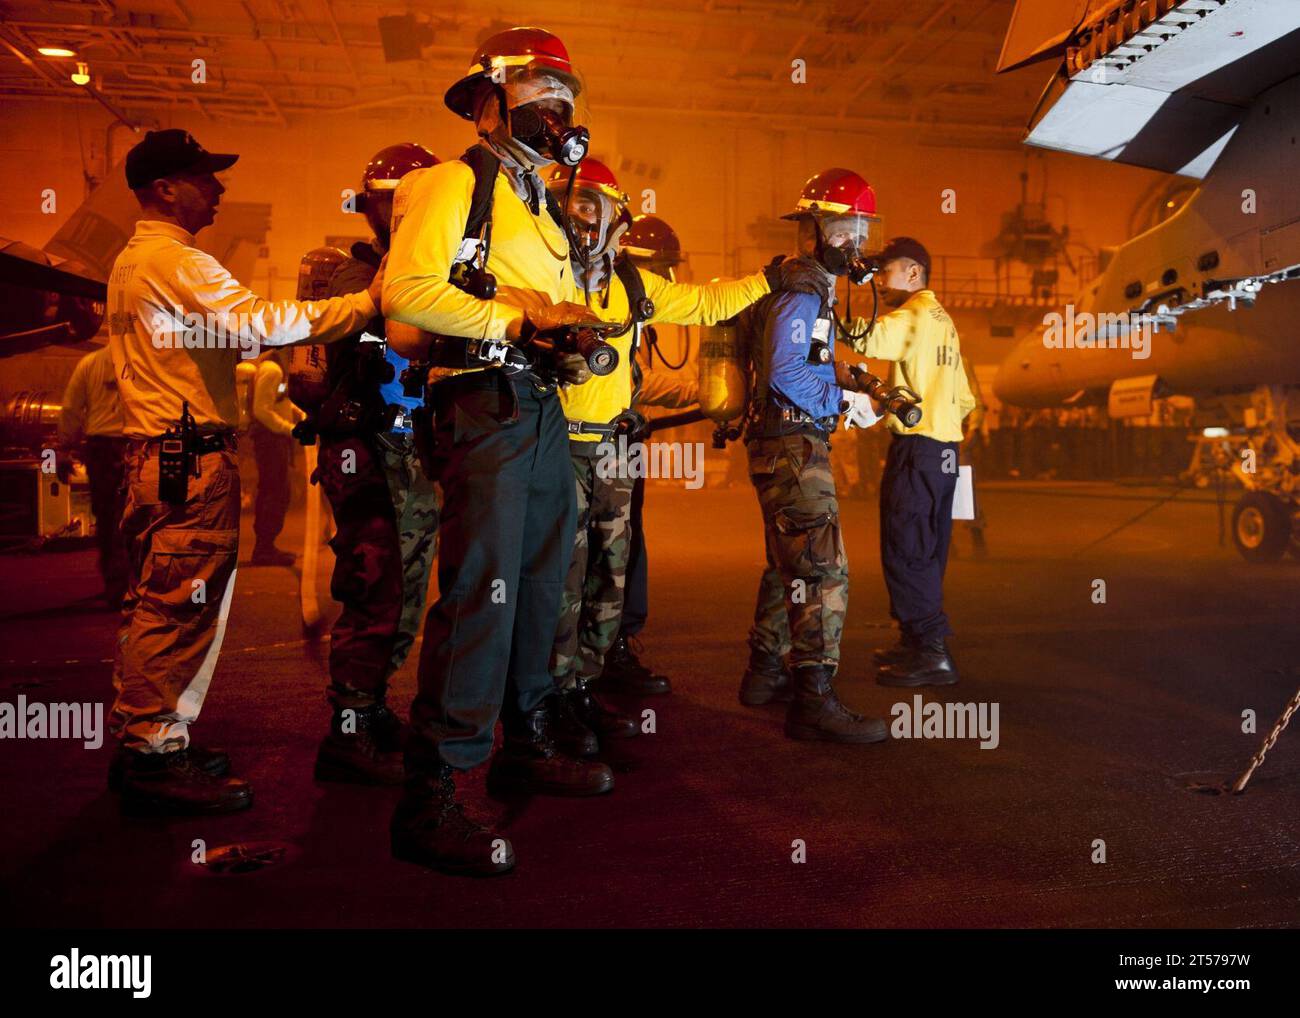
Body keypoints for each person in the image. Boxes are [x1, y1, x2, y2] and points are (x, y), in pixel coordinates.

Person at [382, 27, 615, 876]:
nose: (562, 109)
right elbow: (405, 294)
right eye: (546, 91)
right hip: (483, 400)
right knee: (484, 589)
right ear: (492, 99)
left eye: (569, 95)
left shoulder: (539, 204)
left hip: (539, 403)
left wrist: (565, 321)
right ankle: (432, 791)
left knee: (544, 581)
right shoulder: (448, 182)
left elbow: (540, 305)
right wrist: (515, 318)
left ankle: (527, 737)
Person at [106, 128, 384, 815]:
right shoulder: (177, 261)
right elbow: (258, 323)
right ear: (163, 189)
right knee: (178, 608)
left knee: (161, 603)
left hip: (159, 457)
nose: (219, 187)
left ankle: (158, 740)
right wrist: (365, 305)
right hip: (186, 457)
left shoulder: (134, 262)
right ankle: (151, 758)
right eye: (205, 177)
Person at [543, 160, 780, 753]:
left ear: (619, 222)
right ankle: (549, 700)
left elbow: (704, 304)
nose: (589, 220)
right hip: (562, 447)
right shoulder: (542, 275)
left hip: (613, 449)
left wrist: (768, 279)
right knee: (561, 578)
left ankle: (583, 690)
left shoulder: (632, 286)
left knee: (610, 575)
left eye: (600, 208)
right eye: (578, 205)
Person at [736, 168, 890, 743]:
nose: (857, 241)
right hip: (796, 444)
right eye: (847, 228)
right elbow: (784, 370)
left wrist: (850, 377)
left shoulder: (802, 283)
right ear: (817, 230)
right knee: (825, 569)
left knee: (789, 562)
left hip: (779, 443)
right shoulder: (803, 287)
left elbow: (803, 357)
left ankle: (764, 671)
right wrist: (838, 398)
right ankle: (813, 700)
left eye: (862, 229)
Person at [307, 142, 441, 786]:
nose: (400, 213)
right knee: (374, 586)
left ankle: (371, 705)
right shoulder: (358, 278)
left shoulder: (422, 269)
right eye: (389, 202)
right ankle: (349, 728)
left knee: (406, 589)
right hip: (366, 450)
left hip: (407, 453)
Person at [842, 237, 976, 687]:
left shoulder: (914, 315)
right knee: (929, 547)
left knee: (907, 547)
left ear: (913, 273)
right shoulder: (945, 320)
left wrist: (822, 301)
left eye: (886, 270)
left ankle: (932, 652)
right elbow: (964, 399)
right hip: (944, 451)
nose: (878, 279)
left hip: (917, 450)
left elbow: (866, 336)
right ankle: (914, 642)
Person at [601, 214, 691, 696]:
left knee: (627, 538)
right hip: (604, 445)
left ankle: (615, 642)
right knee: (610, 545)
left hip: (622, 444)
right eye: (662, 271)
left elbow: (634, 379)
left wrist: (699, 393)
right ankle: (602, 653)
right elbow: (623, 380)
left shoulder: (630, 310)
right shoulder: (613, 302)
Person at [58, 344, 129, 608]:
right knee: (135, 517)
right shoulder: (145, 358)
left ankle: (115, 585)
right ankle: (132, 586)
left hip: (101, 448)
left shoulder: (89, 363)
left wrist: (64, 447)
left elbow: (71, 408)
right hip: (135, 444)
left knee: (107, 515)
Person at [248, 350, 302, 566]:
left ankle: (266, 546)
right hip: (270, 439)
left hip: (272, 439)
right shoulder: (272, 370)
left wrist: (299, 414)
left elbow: (278, 400)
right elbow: (261, 410)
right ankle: (264, 548)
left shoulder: (272, 368)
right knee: (275, 492)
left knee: (275, 491)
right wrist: (289, 429)